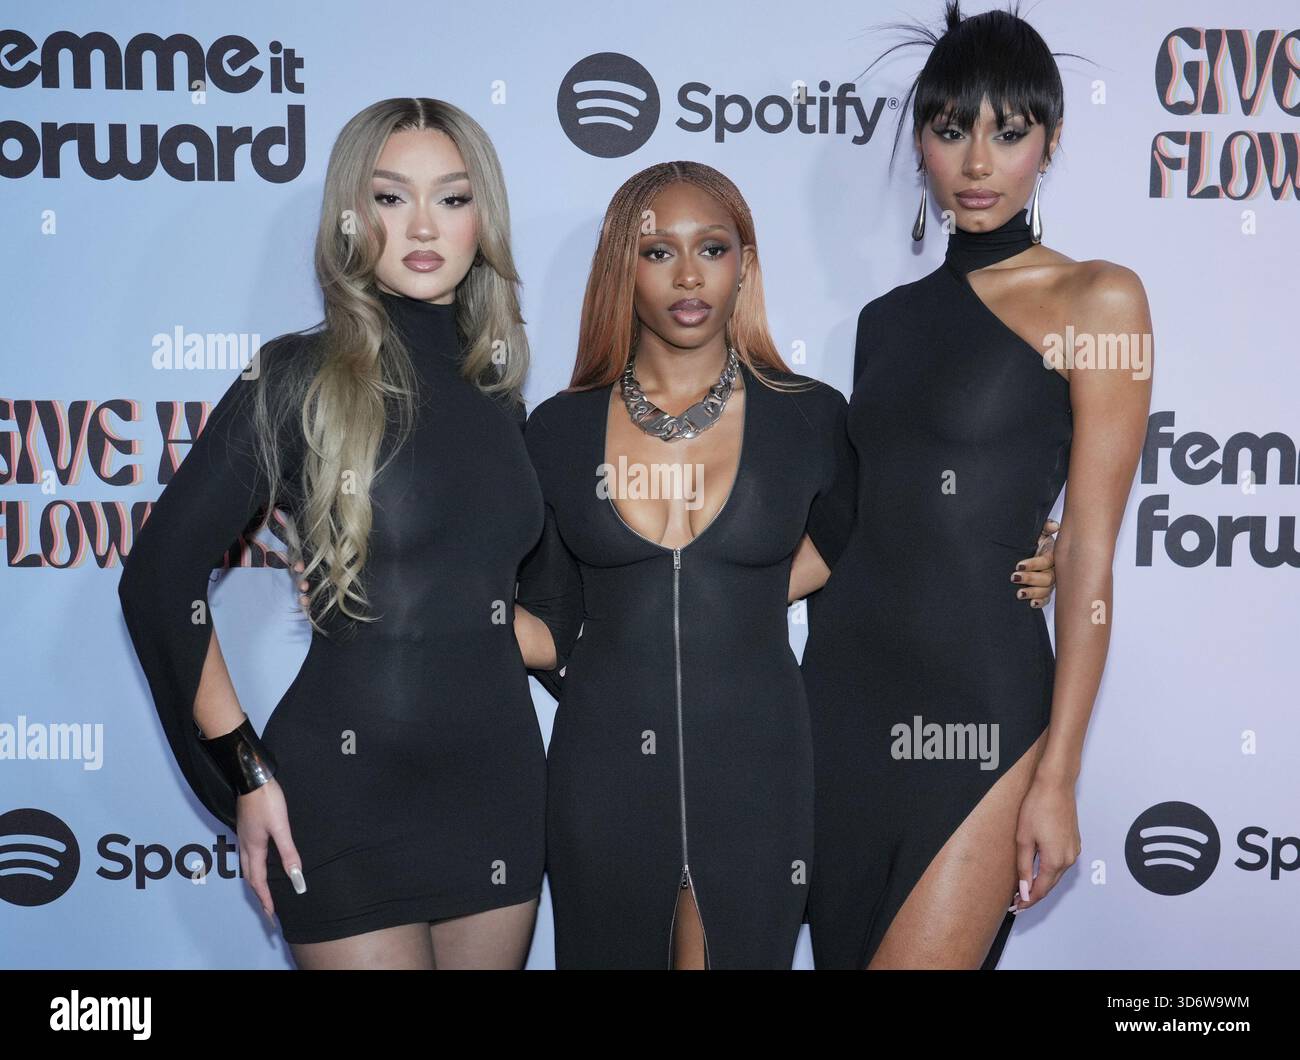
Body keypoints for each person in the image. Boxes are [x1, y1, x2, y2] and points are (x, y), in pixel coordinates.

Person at [518, 161, 1056, 968]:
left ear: (745, 265)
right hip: (604, 775)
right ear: (620, 271)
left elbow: (884, 541)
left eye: (714, 248)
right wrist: (404, 603)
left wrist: (1050, 548)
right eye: (658, 252)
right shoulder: (556, 431)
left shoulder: (809, 419)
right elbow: (551, 626)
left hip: (760, 768)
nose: (690, 274)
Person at [118, 98, 576, 970]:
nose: (422, 225)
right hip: (346, 798)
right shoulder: (297, 376)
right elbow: (158, 578)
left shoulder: (502, 399)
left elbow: (551, 618)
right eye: (391, 197)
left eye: (451, 196)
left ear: (484, 219)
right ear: (349, 217)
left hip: (498, 795)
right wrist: (244, 774)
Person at [799, 1, 1153, 969]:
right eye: (951, 130)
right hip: (839, 703)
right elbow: (855, 526)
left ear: (1051, 140)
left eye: (1009, 132)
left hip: (979, 711)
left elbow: (1085, 549)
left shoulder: (1098, 296)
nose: (977, 162)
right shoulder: (883, 320)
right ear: (922, 142)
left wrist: (1058, 775)